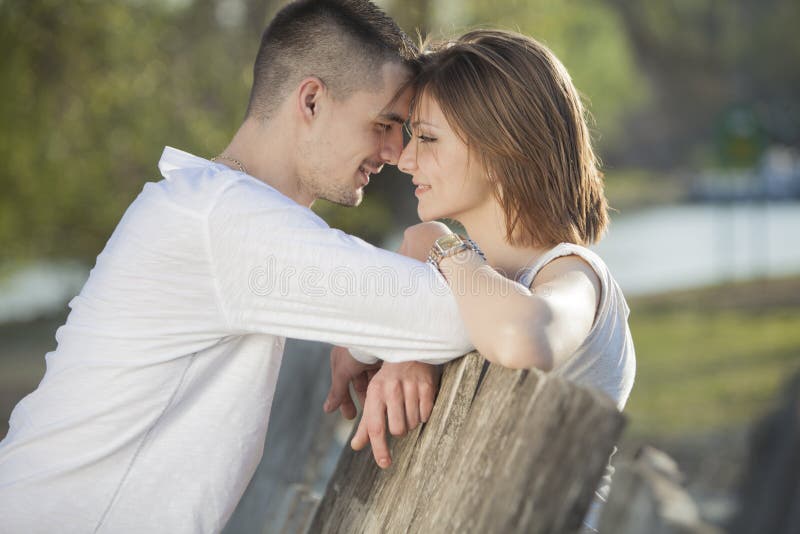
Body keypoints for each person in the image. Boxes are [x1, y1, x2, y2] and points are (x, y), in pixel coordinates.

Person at [0, 1, 478, 532]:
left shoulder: (207, 207)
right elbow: (463, 315)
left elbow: (437, 317)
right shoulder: (228, 220)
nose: (395, 151)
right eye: (385, 123)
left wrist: (385, 340)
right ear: (313, 100)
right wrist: (433, 249)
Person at [327, 29, 636, 533]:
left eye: (426, 138)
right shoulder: (472, 279)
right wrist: (409, 348)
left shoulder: (576, 275)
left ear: (503, 145)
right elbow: (350, 349)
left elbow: (520, 338)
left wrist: (436, 243)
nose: (405, 159)